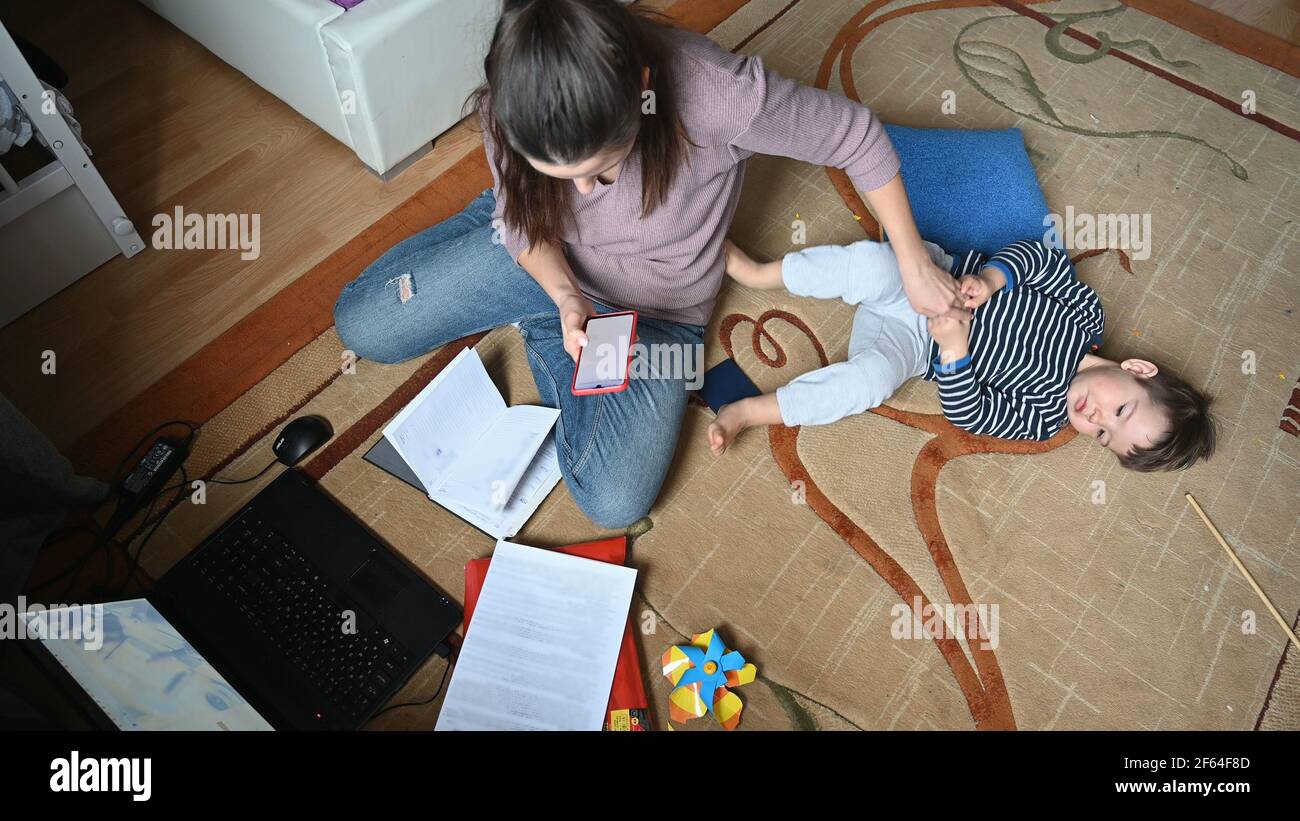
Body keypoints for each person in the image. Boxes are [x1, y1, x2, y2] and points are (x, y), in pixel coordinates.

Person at [333, 0, 968, 528]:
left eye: (599, 171)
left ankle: (542, 326)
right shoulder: (516, 97)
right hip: (536, 253)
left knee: (612, 501)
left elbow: (855, 136)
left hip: (658, 314)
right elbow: (529, 218)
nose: (582, 195)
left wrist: (910, 261)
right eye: (557, 174)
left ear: (641, 91)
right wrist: (563, 295)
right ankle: (541, 308)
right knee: (363, 329)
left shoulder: (717, 94)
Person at [710, 238, 1217, 472]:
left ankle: (749, 410)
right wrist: (991, 279)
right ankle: (758, 272)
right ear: (1137, 370)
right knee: (870, 264)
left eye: (1104, 435)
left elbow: (969, 412)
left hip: (911, 346)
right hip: (933, 278)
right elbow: (1042, 258)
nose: (1095, 418)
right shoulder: (1085, 318)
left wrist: (954, 353)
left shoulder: (1042, 418)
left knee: (865, 387)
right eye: (1120, 409)